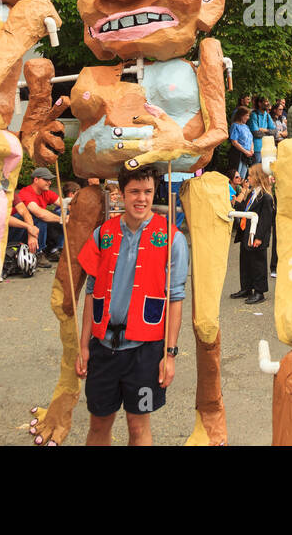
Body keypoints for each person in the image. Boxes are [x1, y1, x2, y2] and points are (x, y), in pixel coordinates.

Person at [76, 166, 187, 446]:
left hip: (145, 352)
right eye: (134, 191)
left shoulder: (172, 238)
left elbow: (176, 299)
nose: (142, 198)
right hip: (103, 348)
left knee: (138, 428)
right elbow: (91, 292)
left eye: (148, 191)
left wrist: (170, 354)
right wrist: (83, 347)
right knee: (99, 424)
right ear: (121, 194)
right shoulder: (103, 233)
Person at [229, 167, 275, 305]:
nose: (247, 178)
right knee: (245, 261)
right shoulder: (251, 193)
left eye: (250, 175)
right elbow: (244, 207)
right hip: (246, 232)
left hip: (257, 234)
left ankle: (259, 291)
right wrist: (236, 202)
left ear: (258, 177)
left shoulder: (265, 197)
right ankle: (246, 287)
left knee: (258, 263)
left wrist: (259, 237)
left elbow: (266, 219)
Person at [14, 167, 62, 265]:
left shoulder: (46, 192)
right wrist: (62, 219)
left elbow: (63, 203)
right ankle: (38, 252)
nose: (49, 182)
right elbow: (39, 213)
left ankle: (55, 249)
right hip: (15, 229)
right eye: (46, 180)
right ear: (36, 180)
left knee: (60, 213)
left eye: (50, 180)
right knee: (42, 218)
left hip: (31, 227)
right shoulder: (25, 192)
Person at [227, 106, 254, 178]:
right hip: (238, 154)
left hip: (246, 155)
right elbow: (234, 142)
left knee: (243, 176)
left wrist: (251, 150)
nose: (248, 117)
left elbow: (250, 139)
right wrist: (245, 151)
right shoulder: (235, 126)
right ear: (241, 115)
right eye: (247, 115)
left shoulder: (246, 126)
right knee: (236, 175)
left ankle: (242, 189)